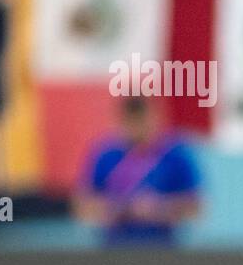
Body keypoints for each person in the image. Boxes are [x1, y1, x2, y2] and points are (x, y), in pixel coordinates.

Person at [73, 96, 202, 247]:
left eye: (142, 121)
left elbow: (196, 206)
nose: (138, 129)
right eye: (132, 122)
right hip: (115, 247)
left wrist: (159, 209)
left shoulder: (176, 154)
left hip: (163, 247)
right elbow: (82, 205)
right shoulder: (105, 154)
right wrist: (122, 209)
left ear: (156, 118)